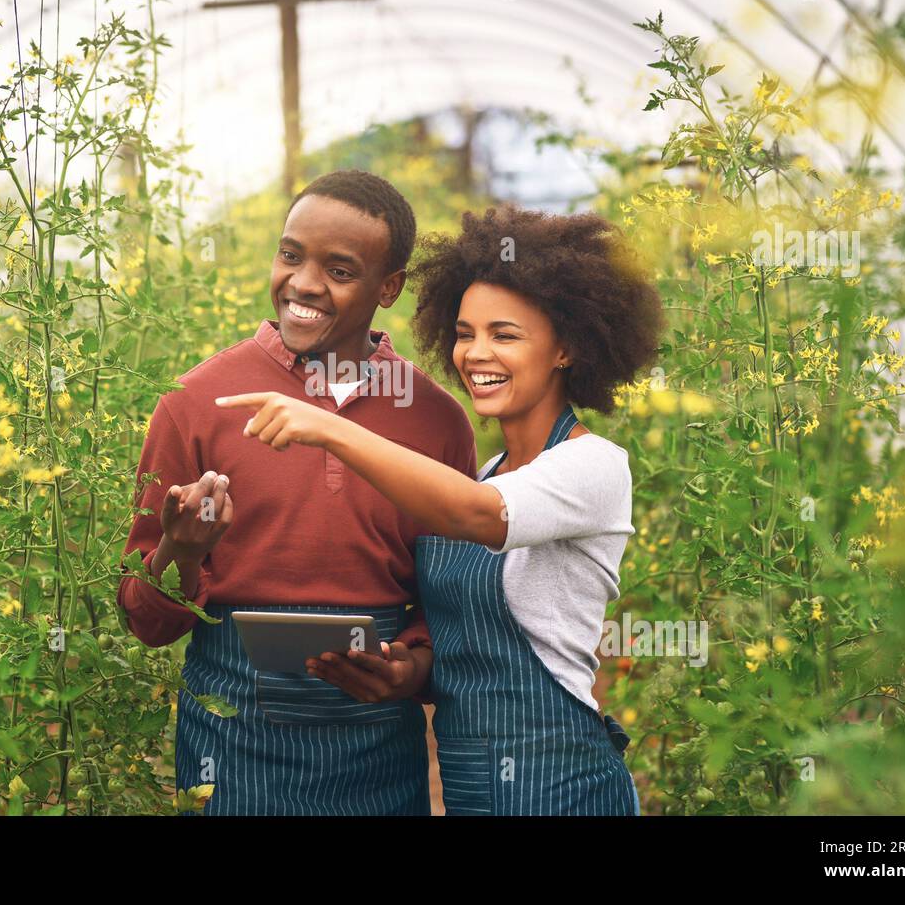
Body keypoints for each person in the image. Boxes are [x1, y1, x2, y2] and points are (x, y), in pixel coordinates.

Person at [217, 205, 664, 815]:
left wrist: (329, 429)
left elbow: (480, 515)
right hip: (469, 789)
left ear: (566, 348)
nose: (476, 354)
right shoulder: (488, 472)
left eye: (505, 335)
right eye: (464, 333)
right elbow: (456, 642)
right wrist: (404, 669)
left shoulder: (593, 467)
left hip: (560, 785)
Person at [117, 170, 477, 815]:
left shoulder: (435, 420)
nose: (304, 283)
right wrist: (183, 551)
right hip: (231, 739)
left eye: (339, 269)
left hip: (378, 750)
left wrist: (410, 672)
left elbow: (451, 601)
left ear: (388, 287)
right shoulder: (196, 402)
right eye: (291, 255)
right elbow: (144, 620)